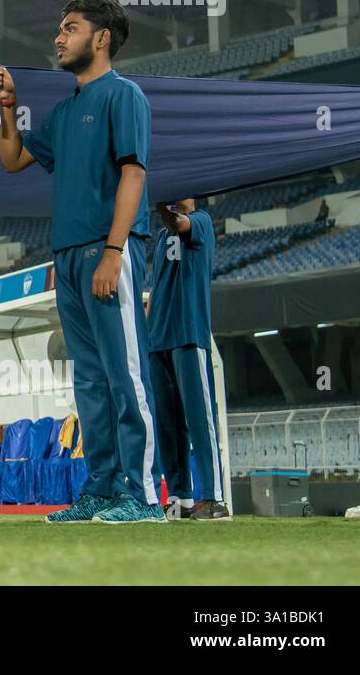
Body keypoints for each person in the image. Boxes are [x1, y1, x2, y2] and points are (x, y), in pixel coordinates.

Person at [0, 0, 164, 524]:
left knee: (125, 374)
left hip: (107, 249)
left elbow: (133, 173)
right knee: (88, 381)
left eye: (70, 28)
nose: (58, 38)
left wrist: (114, 251)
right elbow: (12, 159)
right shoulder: (65, 112)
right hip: (67, 255)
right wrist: (7, 107)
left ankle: (141, 496)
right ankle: (102, 490)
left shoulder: (124, 95)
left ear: (102, 37)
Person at [147, 199, 228, 521]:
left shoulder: (201, 220)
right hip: (158, 339)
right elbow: (154, 288)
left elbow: (179, 224)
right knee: (168, 425)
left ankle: (213, 498)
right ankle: (180, 497)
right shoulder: (159, 234)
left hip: (188, 331)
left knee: (198, 419)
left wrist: (162, 207)